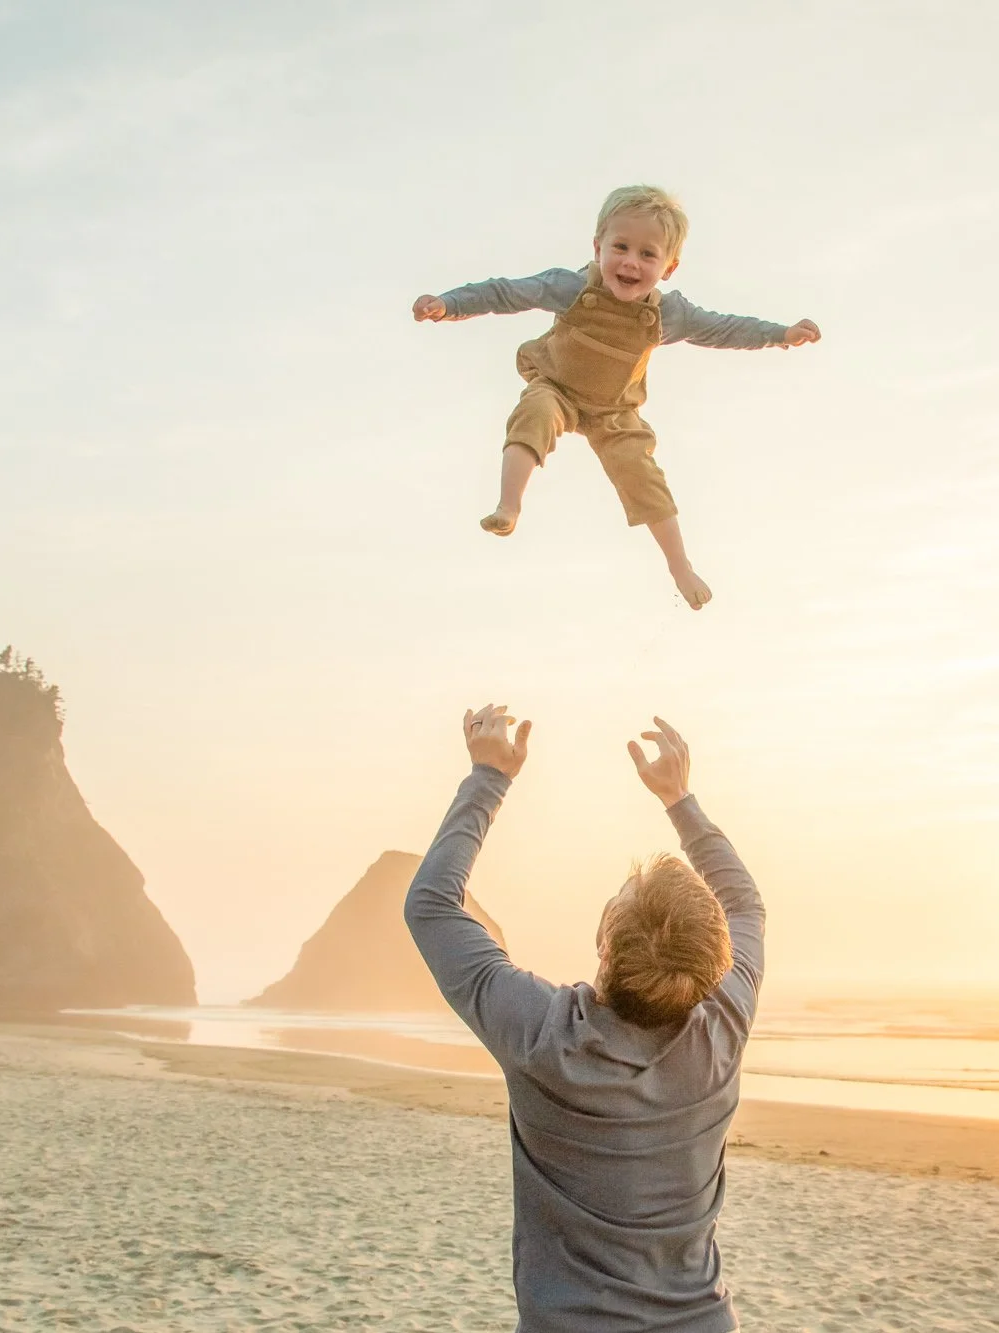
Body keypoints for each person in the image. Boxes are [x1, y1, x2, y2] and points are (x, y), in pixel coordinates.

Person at [405, 704, 766, 1332]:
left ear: (603, 937)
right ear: (715, 966)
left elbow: (432, 905)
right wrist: (679, 798)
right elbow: (747, 905)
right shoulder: (722, 1030)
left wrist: (489, 776)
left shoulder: (543, 1035)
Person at [412, 184, 821, 610]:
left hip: (615, 411)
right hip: (557, 388)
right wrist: (448, 304)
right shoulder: (569, 287)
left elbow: (725, 329)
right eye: (620, 247)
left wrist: (781, 336)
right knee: (533, 411)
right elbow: (504, 292)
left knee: (640, 473)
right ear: (597, 247)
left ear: (669, 267)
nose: (630, 262)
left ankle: (680, 566)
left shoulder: (670, 314)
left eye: (648, 255)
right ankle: (509, 505)